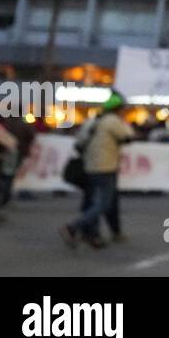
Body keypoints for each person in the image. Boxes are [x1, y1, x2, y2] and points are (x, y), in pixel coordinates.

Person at [60, 93, 134, 248]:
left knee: (92, 201)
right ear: (118, 109)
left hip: (90, 167)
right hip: (106, 167)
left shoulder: (91, 121)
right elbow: (128, 136)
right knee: (103, 204)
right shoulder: (113, 121)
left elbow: (79, 142)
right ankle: (73, 227)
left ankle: (91, 234)